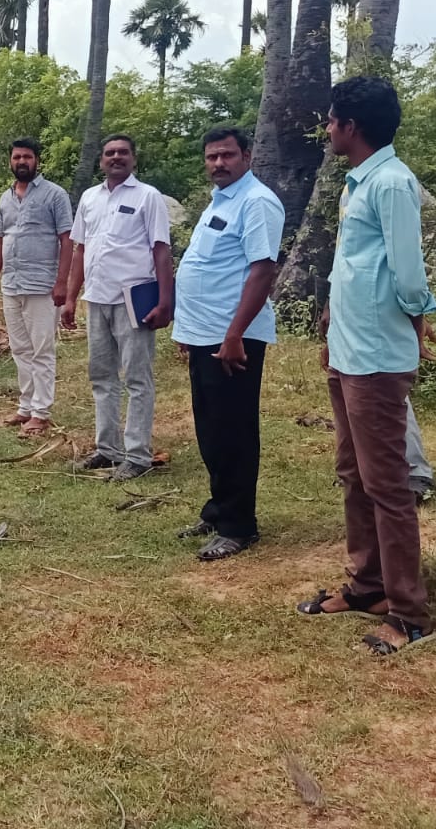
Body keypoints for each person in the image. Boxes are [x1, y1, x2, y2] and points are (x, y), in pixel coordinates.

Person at [295, 76, 436, 656]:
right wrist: (333, 321)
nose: (327, 128)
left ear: (352, 127)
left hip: (378, 358)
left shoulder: (392, 183)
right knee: (354, 474)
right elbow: (355, 264)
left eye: (331, 120)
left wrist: (417, 320)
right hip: (349, 350)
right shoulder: (358, 183)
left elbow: (408, 273)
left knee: (388, 486)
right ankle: (367, 586)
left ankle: (409, 614)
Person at [170, 128, 285, 561]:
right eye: (212, 156)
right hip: (204, 334)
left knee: (233, 430)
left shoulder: (256, 202)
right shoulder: (222, 201)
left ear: (247, 156)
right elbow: (206, 268)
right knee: (210, 428)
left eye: (228, 155)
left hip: (233, 337)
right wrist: (186, 328)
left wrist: (235, 333)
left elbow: (262, 271)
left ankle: (239, 526)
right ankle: (218, 510)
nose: (219, 163)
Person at [62, 134, 173, 482]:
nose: (116, 157)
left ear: (133, 158)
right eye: (109, 153)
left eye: (123, 152)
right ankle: (107, 449)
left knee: (137, 377)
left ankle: (138, 454)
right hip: (97, 298)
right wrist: (70, 297)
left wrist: (165, 300)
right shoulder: (90, 198)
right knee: (101, 376)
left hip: (133, 299)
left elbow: (161, 250)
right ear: (101, 161)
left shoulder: (148, 197)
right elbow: (80, 249)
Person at [0, 138, 73, 436]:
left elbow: (66, 241)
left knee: (42, 349)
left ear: (37, 161)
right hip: (12, 285)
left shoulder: (55, 195)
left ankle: (41, 412)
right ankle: (25, 407)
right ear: (10, 161)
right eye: (17, 157)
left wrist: (62, 283)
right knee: (20, 348)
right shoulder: (5, 198)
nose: (22, 161)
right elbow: (0, 242)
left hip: (42, 287)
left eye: (28, 157)